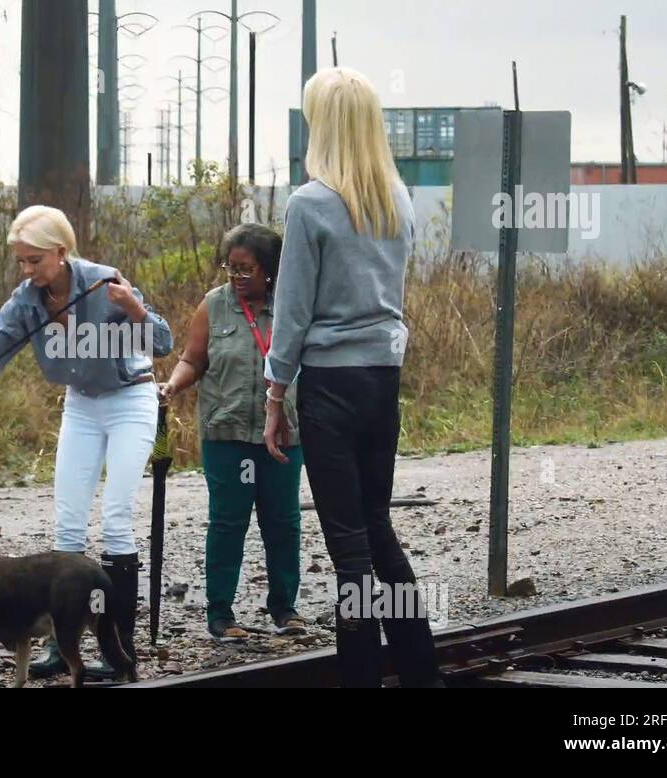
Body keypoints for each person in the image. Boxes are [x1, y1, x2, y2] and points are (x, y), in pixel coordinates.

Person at [262, 68, 443, 688]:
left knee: (349, 549)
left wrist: (275, 390)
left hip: (331, 386)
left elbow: (292, 309)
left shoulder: (310, 204)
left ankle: (362, 678)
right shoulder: (398, 199)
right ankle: (423, 674)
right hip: (381, 380)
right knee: (376, 527)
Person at [0, 204, 173, 679]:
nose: (27, 271)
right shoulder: (27, 300)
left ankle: (116, 649)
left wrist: (135, 310)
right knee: (67, 524)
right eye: (21, 261)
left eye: (35, 261)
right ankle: (59, 645)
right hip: (82, 404)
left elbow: (163, 342)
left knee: (115, 517)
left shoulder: (104, 282)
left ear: (61, 253)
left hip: (130, 398)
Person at [160, 223, 306, 643]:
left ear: (270, 270)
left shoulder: (291, 307)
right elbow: (193, 359)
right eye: (231, 268)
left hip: (283, 437)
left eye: (246, 269)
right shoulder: (214, 306)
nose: (237, 277)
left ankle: (284, 608)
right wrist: (172, 384)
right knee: (227, 523)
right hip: (227, 437)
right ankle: (221, 614)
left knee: (283, 522)